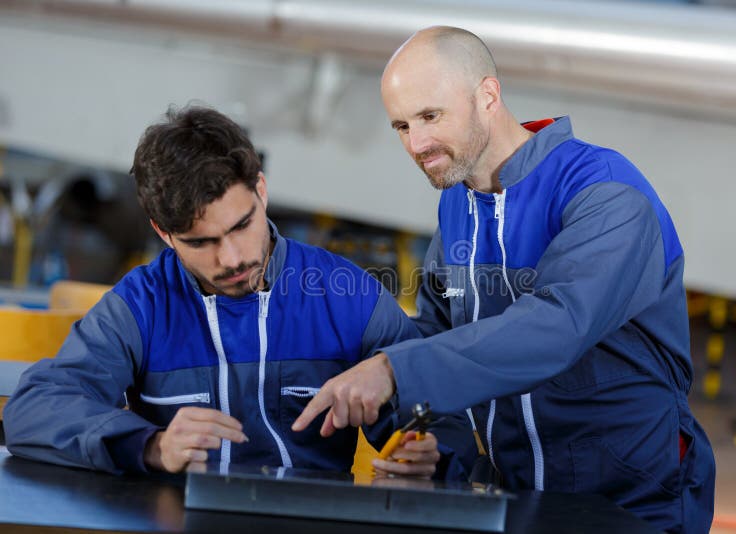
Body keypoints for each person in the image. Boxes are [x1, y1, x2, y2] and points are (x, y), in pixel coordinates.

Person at [293, 26, 715, 533]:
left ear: (488, 95)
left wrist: (393, 372)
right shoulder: (458, 204)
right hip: (513, 499)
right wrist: (434, 446)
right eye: (402, 126)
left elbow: (555, 327)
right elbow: (442, 335)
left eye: (431, 116)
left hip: (632, 503)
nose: (418, 143)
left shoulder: (605, 192)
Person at [4, 105, 461, 479]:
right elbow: (32, 411)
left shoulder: (349, 297)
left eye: (241, 225)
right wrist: (150, 445)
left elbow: (440, 411)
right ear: (163, 233)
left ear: (260, 192)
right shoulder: (139, 306)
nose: (231, 258)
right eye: (201, 243)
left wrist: (428, 453)